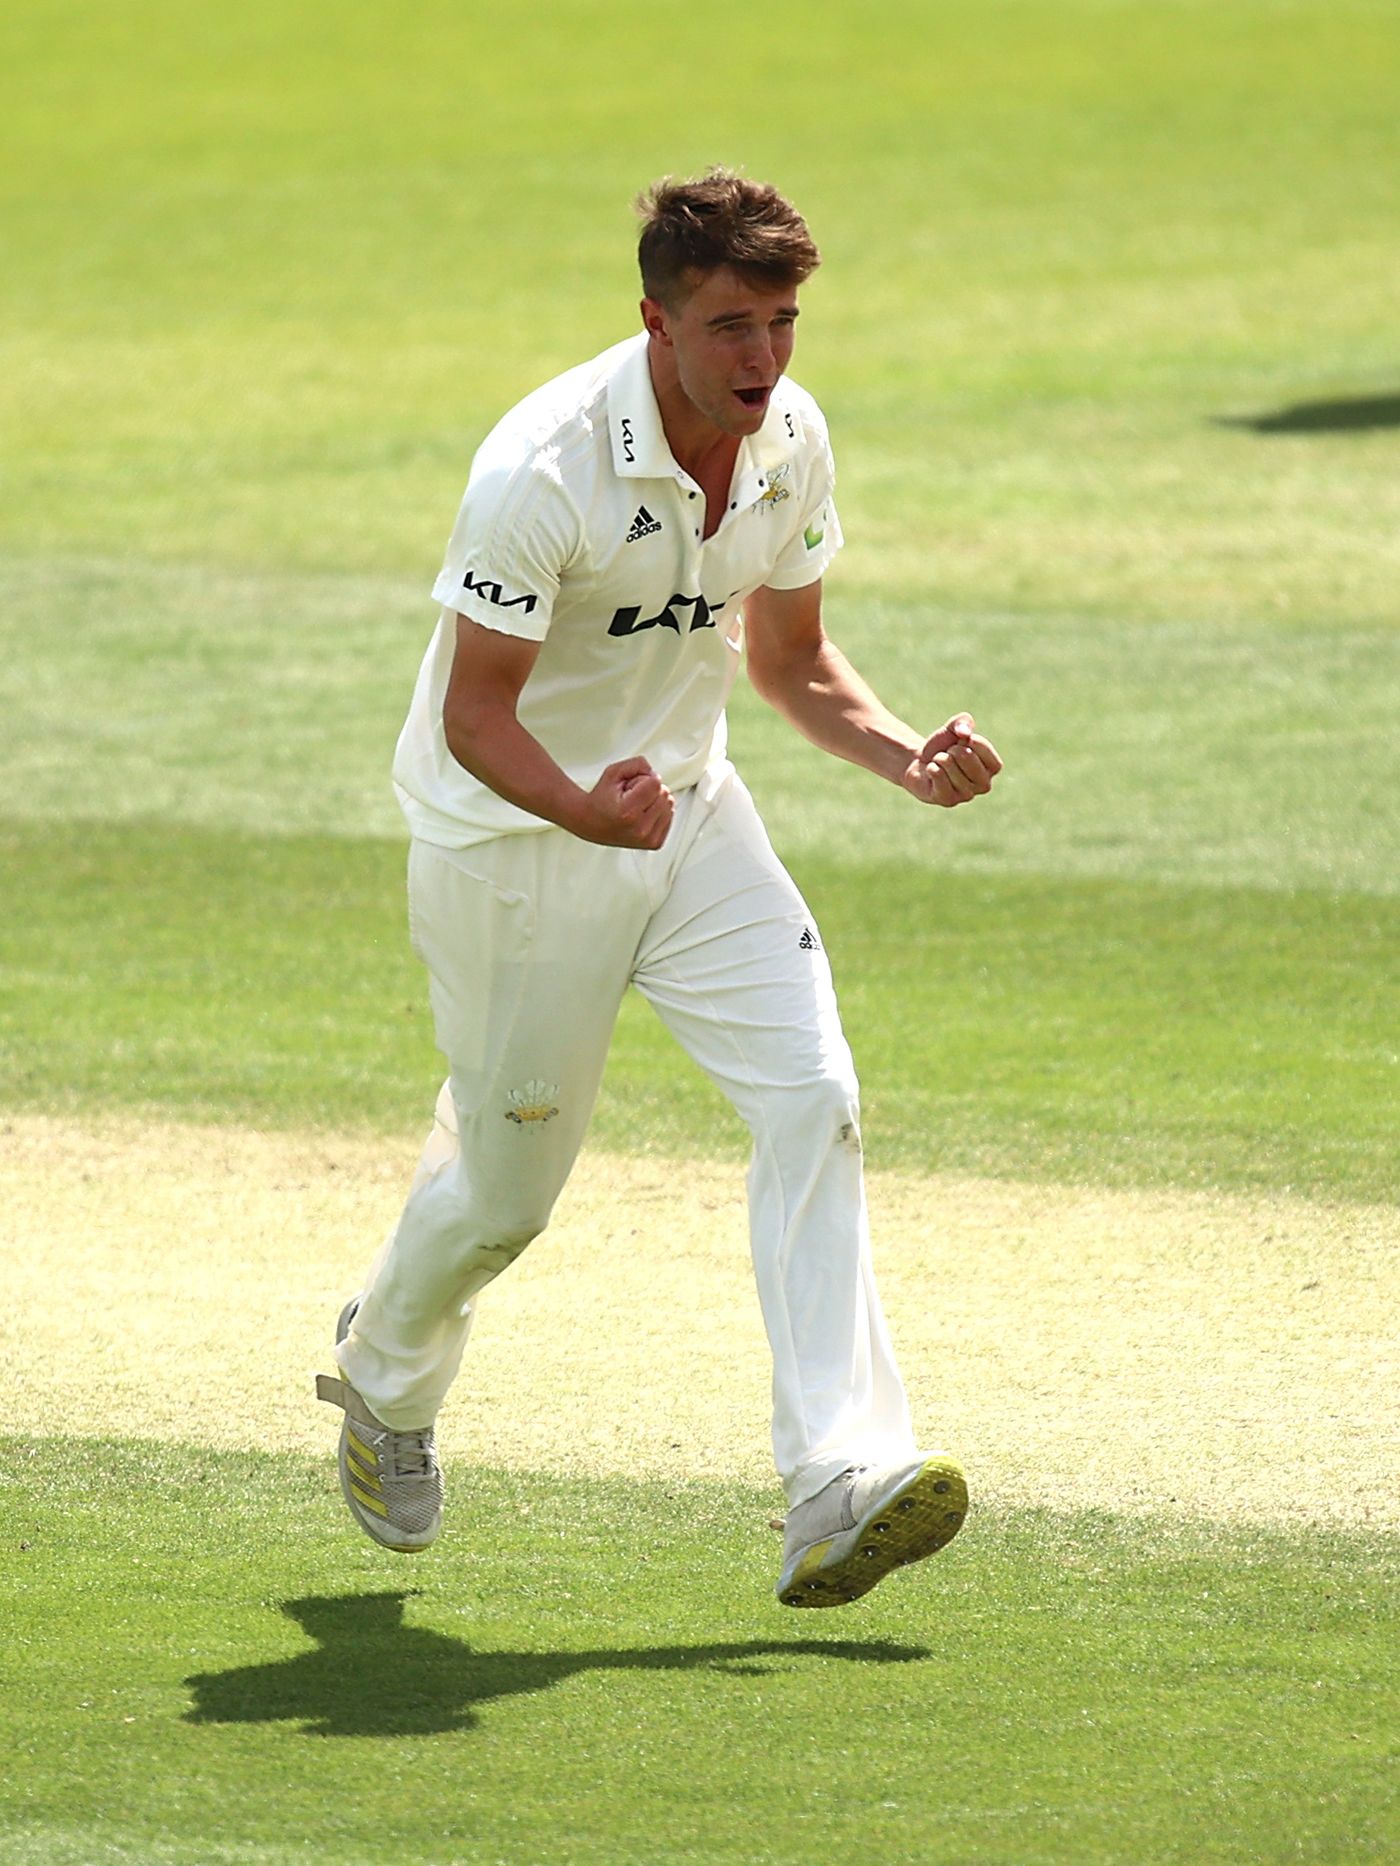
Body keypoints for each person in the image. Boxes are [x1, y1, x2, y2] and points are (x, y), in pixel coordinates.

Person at [316, 169, 1002, 1609]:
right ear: (657, 321)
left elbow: (793, 662)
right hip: (516, 846)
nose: (764, 359)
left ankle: (837, 1477)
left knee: (814, 1094)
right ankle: (383, 1372)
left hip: (688, 816)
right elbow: (476, 715)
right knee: (504, 1198)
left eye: (785, 322)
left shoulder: (791, 439)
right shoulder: (542, 467)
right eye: (733, 325)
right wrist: (583, 807)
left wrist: (904, 757)